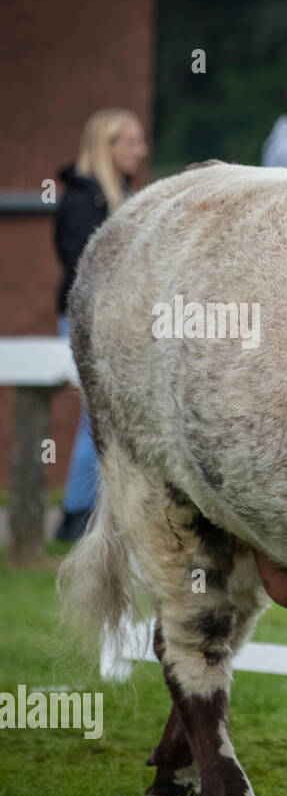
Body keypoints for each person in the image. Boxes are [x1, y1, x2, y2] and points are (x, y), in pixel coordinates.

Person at [53, 108, 149, 541]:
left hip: (115, 322)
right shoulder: (83, 202)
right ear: (106, 147)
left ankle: (94, 513)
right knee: (97, 418)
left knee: (107, 418)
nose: (140, 151)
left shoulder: (122, 197)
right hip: (89, 321)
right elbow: (81, 268)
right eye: (131, 142)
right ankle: (76, 513)